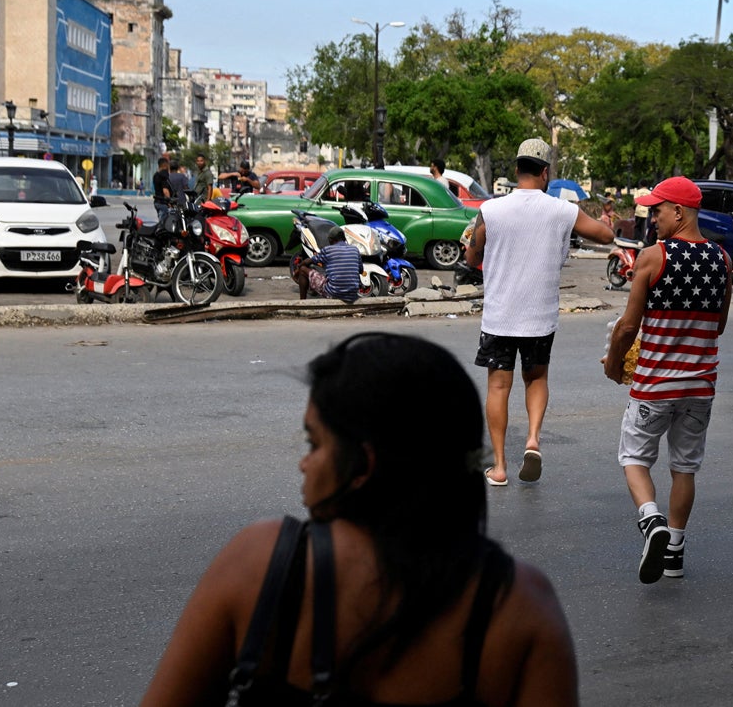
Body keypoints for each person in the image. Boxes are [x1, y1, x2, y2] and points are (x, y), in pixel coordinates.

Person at [140, 333, 579, 706]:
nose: (304, 465)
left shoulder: (261, 565)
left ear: (362, 465)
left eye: (314, 444)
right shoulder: (519, 606)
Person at [602, 177, 731, 584]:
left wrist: (614, 362)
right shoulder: (721, 259)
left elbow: (627, 327)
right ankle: (673, 553)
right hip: (700, 387)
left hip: (655, 384)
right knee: (684, 468)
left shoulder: (653, 257)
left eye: (657, 210)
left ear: (679, 211)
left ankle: (651, 520)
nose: (652, 217)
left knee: (634, 459)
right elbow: (719, 326)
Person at [466, 138, 614, 487]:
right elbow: (605, 236)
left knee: (498, 386)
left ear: (517, 170)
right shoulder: (561, 210)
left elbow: (472, 258)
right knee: (536, 380)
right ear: (545, 172)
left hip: (500, 316)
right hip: (539, 317)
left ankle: (500, 467)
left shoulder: (491, 209)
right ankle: (533, 439)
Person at [295, 227, 364, 303]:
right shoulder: (355, 249)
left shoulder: (328, 250)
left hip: (334, 293)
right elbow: (360, 270)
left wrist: (299, 266)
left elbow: (308, 261)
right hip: (352, 295)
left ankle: (302, 303)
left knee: (303, 270)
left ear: (331, 240)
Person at [151, 156, 173, 222]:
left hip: (157, 202)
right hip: (163, 203)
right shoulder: (163, 175)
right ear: (165, 165)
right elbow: (165, 190)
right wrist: (170, 202)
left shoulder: (156, 175)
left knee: (161, 221)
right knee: (163, 224)